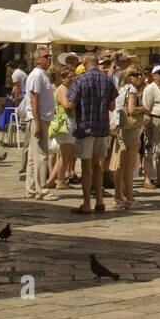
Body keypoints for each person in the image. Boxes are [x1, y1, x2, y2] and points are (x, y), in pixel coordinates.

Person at [67, 53, 118, 215]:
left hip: (85, 127)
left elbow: (70, 104)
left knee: (86, 166)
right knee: (98, 165)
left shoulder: (80, 80)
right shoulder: (107, 80)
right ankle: (100, 201)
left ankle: (87, 202)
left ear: (84, 63)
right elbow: (112, 106)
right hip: (102, 128)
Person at [22, 46, 58, 201]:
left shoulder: (42, 75)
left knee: (33, 156)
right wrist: (37, 122)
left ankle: (31, 188)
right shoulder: (37, 75)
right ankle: (41, 189)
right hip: (39, 119)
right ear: (37, 59)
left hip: (42, 118)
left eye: (50, 56)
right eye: (45, 56)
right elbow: (33, 99)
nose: (49, 59)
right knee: (41, 155)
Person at [113, 68, 147, 210]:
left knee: (121, 164)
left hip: (120, 127)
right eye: (135, 75)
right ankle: (129, 198)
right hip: (130, 128)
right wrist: (144, 109)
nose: (139, 77)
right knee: (128, 164)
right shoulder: (132, 89)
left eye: (140, 75)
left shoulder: (122, 89)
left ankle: (119, 196)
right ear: (128, 77)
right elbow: (131, 109)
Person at [45, 66, 76, 189]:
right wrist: (76, 101)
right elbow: (66, 105)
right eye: (69, 77)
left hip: (67, 122)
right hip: (65, 122)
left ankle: (53, 179)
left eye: (73, 76)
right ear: (62, 78)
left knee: (65, 154)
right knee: (65, 154)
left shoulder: (65, 88)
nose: (72, 79)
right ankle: (60, 180)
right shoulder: (63, 90)